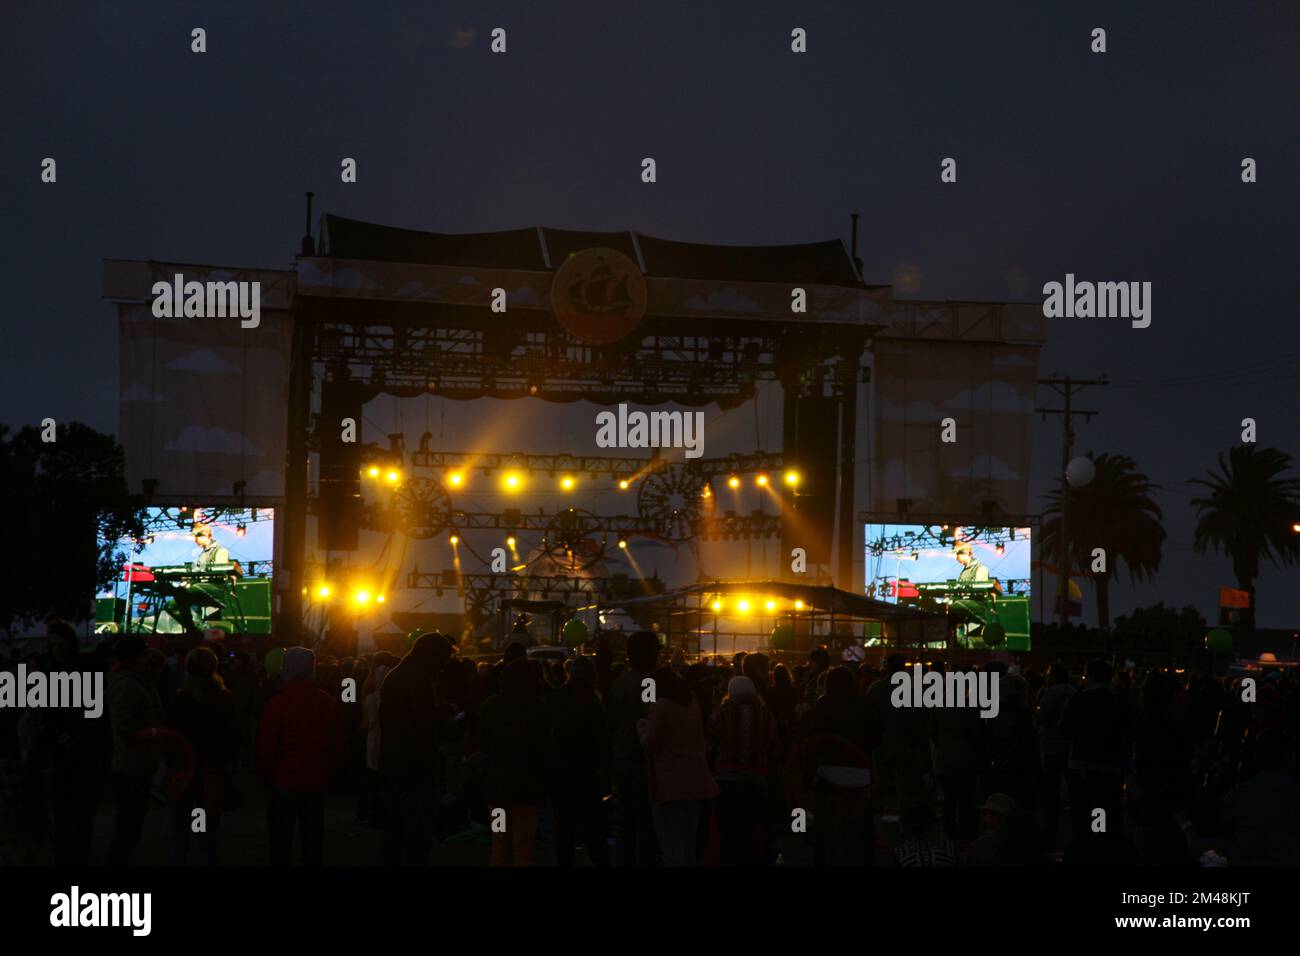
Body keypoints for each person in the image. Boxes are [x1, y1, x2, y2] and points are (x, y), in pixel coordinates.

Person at [255, 647, 345, 866]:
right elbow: (338, 744)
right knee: (312, 841)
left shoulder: (278, 703)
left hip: (282, 781)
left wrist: (263, 775)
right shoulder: (327, 702)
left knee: (280, 842)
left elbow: (267, 745)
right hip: (315, 781)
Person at [378, 633, 455, 865]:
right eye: (443, 658)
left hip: (394, 762)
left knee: (395, 831)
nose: (444, 666)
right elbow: (422, 723)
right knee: (416, 833)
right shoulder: (416, 679)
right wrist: (444, 715)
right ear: (432, 656)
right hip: (415, 766)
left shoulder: (399, 675)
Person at [637, 668, 719, 866]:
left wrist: (641, 726)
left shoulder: (661, 707)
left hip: (670, 784)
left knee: (671, 845)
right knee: (688, 843)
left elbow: (651, 743)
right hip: (696, 780)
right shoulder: (692, 705)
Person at [169, 646, 240, 865]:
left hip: (186, 767)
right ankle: (206, 852)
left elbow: (172, 734)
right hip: (213, 766)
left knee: (183, 818)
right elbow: (233, 734)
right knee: (207, 817)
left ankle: (183, 854)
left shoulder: (181, 699)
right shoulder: (224, 698)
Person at [480, 658, 550, 867]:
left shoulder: (490, 706)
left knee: (499, 841)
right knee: (523, 844)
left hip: (497, 789)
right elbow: (544, 746)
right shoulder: (537, 707)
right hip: (526, 790)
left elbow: (483, 744)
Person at [106, 635, 167, 866]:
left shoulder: (134, 681)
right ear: (136, 657)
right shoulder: (129, 685)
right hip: (132, 765)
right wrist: (153, 734)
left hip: (134, 763)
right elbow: (124, 726)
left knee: (129, 824)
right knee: (129, 826)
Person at [546, 656, 609, 866]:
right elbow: (601, 738)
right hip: (587, 772)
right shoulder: (593, 701)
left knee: (564, 828)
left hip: (561, 770)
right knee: (593, 827)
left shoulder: (558, 697)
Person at [707, 675, 775, 865]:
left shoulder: (721, 712)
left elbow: (709, 741)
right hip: (757, 777)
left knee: (728, 828)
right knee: (752, 827)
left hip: (726, 777)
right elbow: (772, 742)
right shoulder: (765, 714)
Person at [606, 631, 661, 866]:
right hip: (644, 762)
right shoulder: (648, 683)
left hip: (622, 760)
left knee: (626, 823)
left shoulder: (619, 683)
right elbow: (650, 715)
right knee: (646, 824)